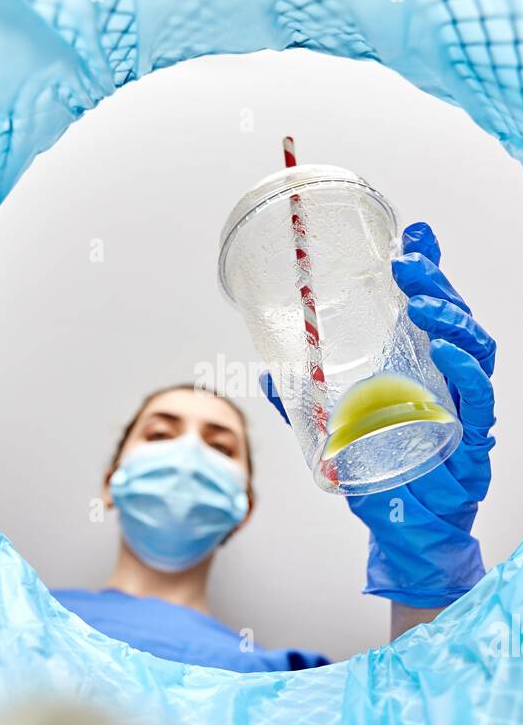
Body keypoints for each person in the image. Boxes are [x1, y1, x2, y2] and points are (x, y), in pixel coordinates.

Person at [52, 223, 496, 672]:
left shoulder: (285, 680)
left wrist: (426, 560)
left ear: (242, 505)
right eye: (160, 435)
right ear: (111, 483)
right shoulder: (15, 610)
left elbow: (430, 722)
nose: (187, 455)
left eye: (220, 447)